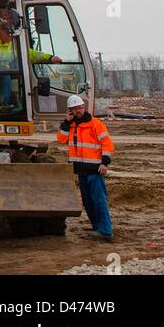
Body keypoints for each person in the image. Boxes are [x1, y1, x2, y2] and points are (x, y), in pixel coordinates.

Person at [55, 94, 114, 241]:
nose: (79, 111)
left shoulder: (95, 124)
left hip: (94, 170)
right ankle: (97, 228)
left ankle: (106, 231)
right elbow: (61, 140)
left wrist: (105, 162)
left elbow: (107, 144)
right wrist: (65, 123)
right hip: (81, 171)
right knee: (88, 201)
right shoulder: (71, 125)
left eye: (80, 107)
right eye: (75, 109)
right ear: (70, 111)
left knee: (99, 200)